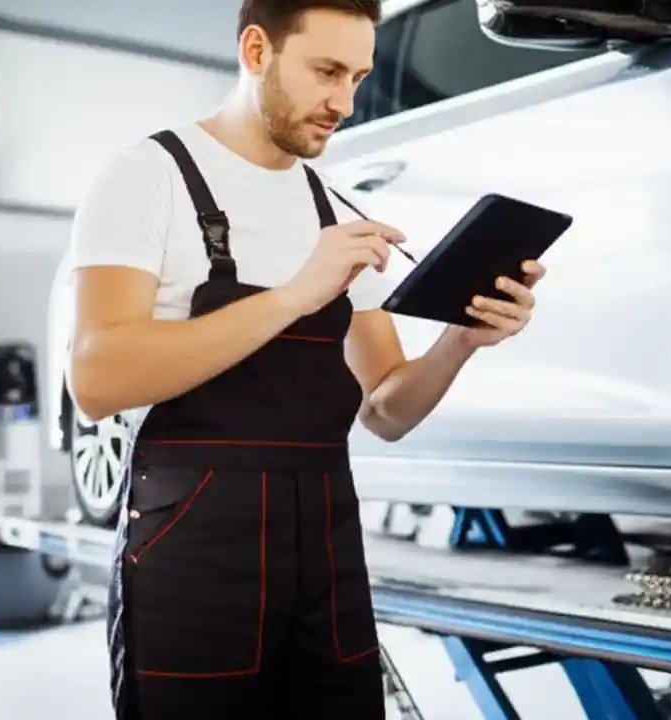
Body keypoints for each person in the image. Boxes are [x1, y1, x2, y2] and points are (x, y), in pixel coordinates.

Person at [64, 0, 546, 717]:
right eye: (326, 72)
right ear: (257, 51)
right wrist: (294, 295)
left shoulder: (338, 213)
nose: (344, 103)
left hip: (326, 547)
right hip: (193, 543)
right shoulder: (147, 177)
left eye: (357, 77)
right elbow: (97, 380)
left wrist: (460, 341)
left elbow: (386, 408)